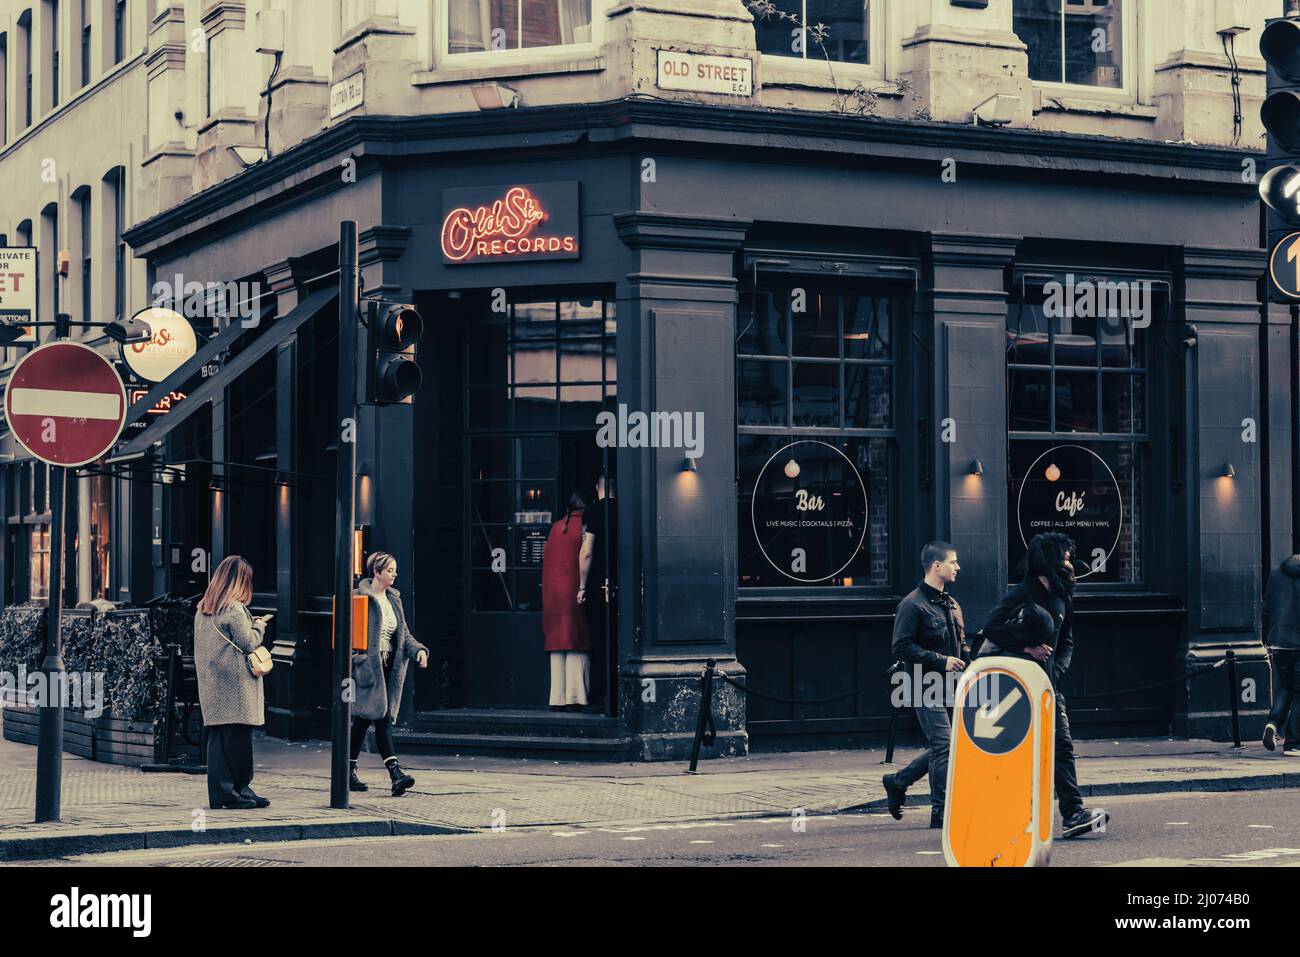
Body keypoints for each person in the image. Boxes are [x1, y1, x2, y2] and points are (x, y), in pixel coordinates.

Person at [977, 531, 1109, 839]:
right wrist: (1027, 649)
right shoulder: (1022, 593)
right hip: (1013, 687)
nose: (1069, 561)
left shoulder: (1063, 597)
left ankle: (1073, 813)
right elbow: (991, 628)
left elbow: (1067, 642)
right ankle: (996, 812)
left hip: (1047, 687)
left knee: (1061, 746)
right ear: (1048, 560)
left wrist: (1056, 673)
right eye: (1063, 555)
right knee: (1007, 752)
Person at [883, 541, 967, 829]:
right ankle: (941, 812)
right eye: (953, 562)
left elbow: (961, 646)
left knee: (952, 747)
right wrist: (941, 661)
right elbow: (901, 647)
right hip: (923, 684)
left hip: (953, 686)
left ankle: (898, 781)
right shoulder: (912, 604)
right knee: (944, 744)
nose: (957, 567)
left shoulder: (952, 604)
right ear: (936, 566)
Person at [194, 555, 272, 810]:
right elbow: (249, 642)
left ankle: (231, 792)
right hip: (236, 685)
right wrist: (259, 625)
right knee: (238, 741)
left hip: (213, 682)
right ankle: (234, 791)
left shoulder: (204, 608)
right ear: (239, 581)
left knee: (219, 740)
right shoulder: (234, 609)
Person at [349, 551, 429, 796]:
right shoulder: (358, 598)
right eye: (390, 570)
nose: (395, 574)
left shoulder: (394, 599)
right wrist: (358, 661)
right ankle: (395, 773)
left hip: (389, 667)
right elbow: (348, 636)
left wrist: (418, 652)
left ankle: (346, 771)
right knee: (381, 718)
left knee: (364, 720)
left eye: (395, 570)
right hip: (367, 670)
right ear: (376, 572)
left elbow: (403, 635)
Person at [544, 493, 591, 711]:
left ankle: (557, 697)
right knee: (576, 640)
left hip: (552, 594)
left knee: (558, 642)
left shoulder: (555, 528)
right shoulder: (584, 526)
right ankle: (575, 696)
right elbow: (587, 556)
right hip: (574, 589)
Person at [578, 470, 617, 710]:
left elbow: (587, 551)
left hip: (598, 585)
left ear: (597, 487)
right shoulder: (629, 508)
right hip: (625, 586)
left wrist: (582, 586)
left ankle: (600, 694)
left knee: (599, 640)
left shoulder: (594, 510)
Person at [1262, 555, 1300, 754]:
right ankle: (1294, 743)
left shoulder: (1276, 573)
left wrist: (1266, 636)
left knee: (1286, 686)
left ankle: (1273, 724)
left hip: (1278, 641)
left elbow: (1266, 607)